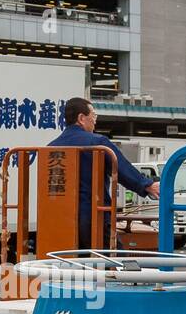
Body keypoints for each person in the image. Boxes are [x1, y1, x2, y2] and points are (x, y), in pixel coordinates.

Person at [47, 98, 159, 248]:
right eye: (94, 116)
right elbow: (121, 168)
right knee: (114, 261)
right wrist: (147, 185)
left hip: (59, 220)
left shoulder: (50, 148)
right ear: (81, 118)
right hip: (93, 216)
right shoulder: (97, 143)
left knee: (68, 264)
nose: (95, 121)